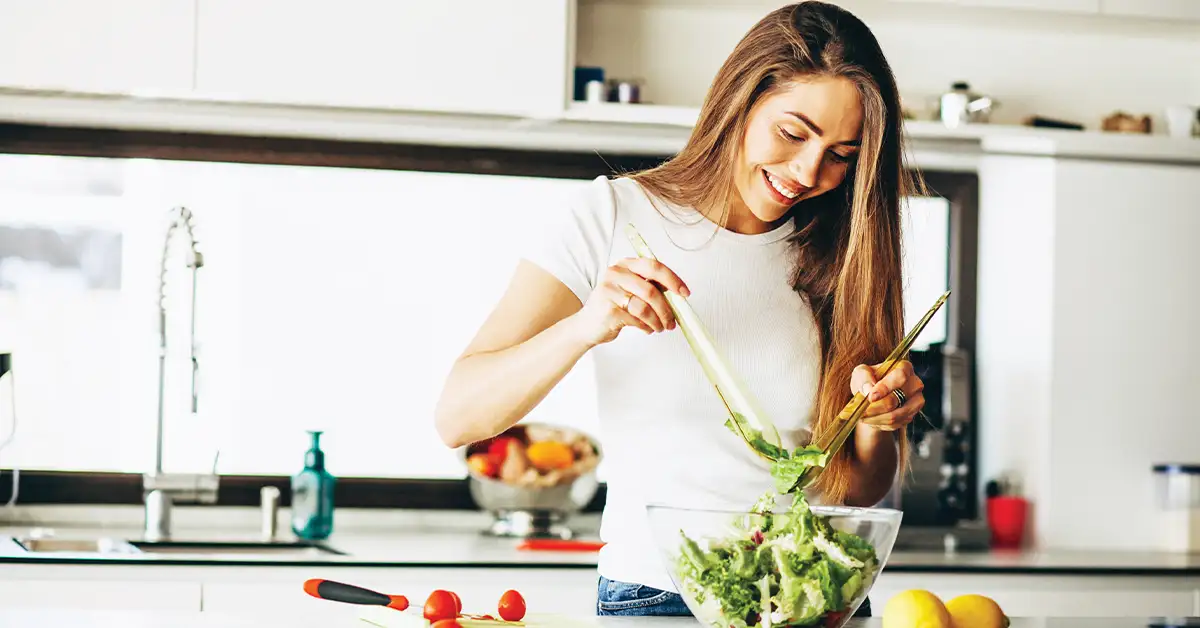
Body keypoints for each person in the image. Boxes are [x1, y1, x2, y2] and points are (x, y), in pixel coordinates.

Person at [434, 0, 926, 619]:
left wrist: (879, 421)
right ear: (739, 102)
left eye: (842, 154)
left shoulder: (845, 253)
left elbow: (854, 487)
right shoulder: (613, 218)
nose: (808, 171)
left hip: (815, 595)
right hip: (660, 596)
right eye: (793, 133)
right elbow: (459, 417)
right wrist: (587, 325)